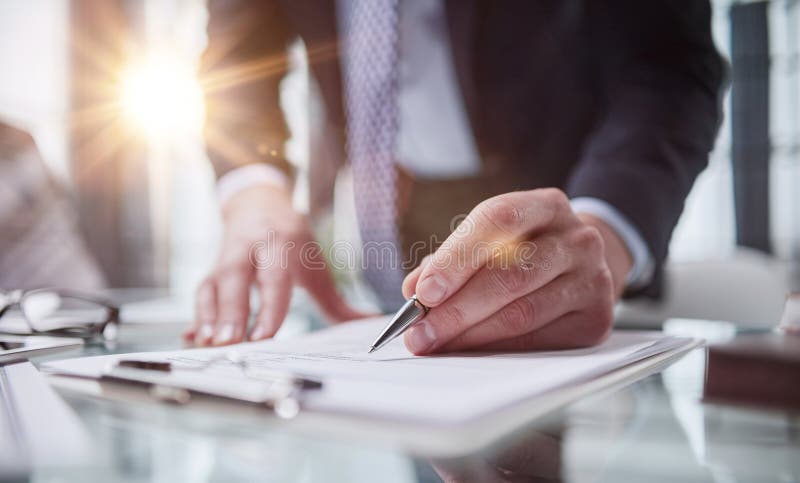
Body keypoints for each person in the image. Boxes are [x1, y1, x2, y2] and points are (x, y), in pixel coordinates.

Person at [185, 0, 725, 354]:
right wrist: (252, 189)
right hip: (395, 217)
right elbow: (236, 66)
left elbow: (669, 65)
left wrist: (602, 228)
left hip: (557, 213)